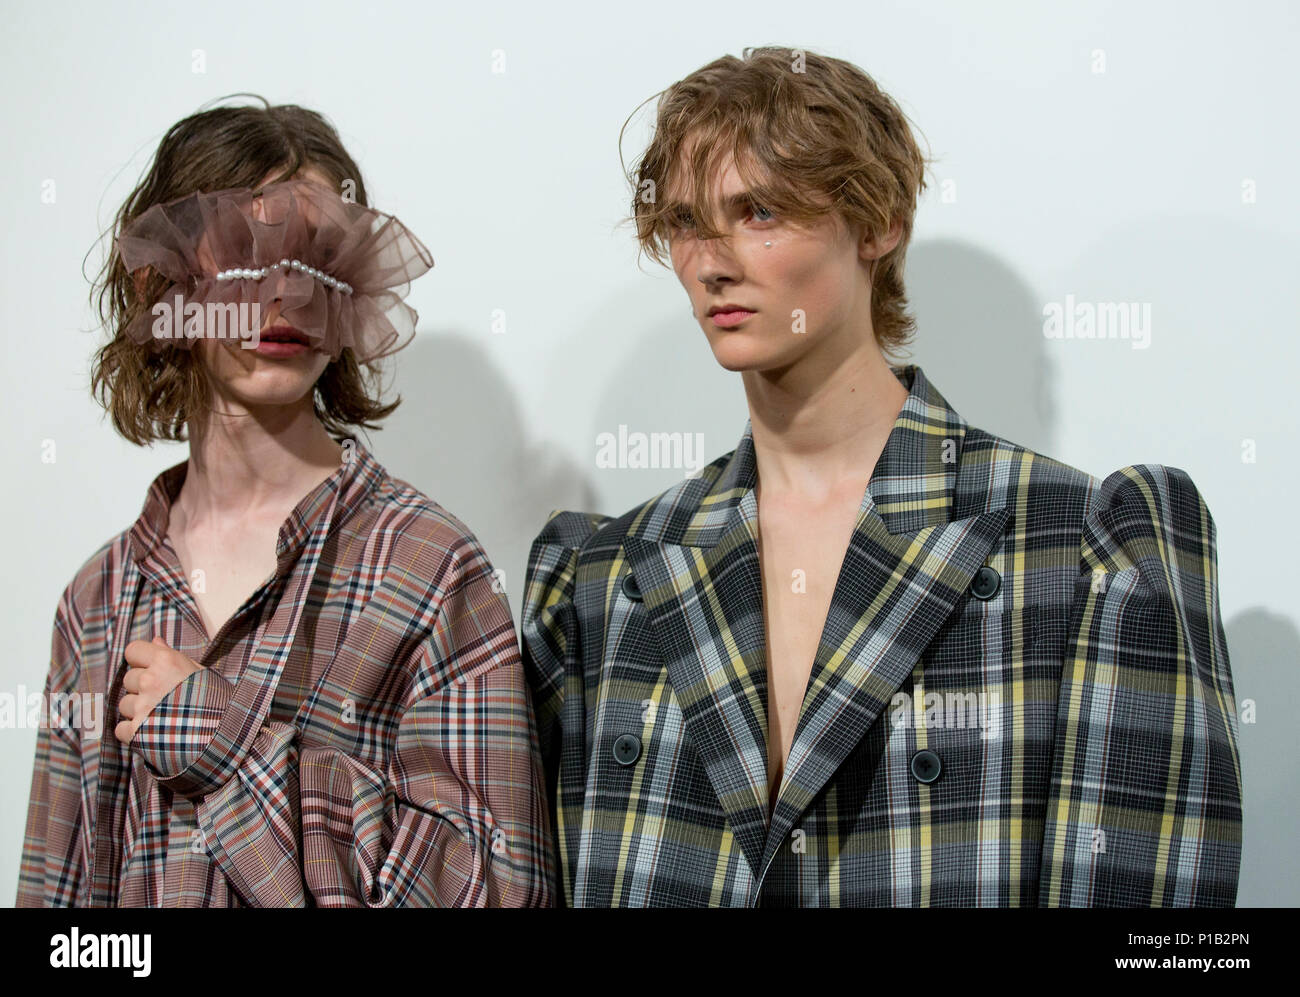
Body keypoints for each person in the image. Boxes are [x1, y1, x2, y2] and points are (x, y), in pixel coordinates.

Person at [520, 47, 1242, 907]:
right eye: (685, 222)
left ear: (877, 223)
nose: (711, 261)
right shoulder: (604, 576)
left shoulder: (1083, 550)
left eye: (758, 211)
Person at [17, 98, 553, 907]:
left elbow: (500, 893)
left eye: (319, 258)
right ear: (162, 278)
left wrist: (215, 734)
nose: (289, 295)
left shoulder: (429, 567)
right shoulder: (94, 605)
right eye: (247, 249)